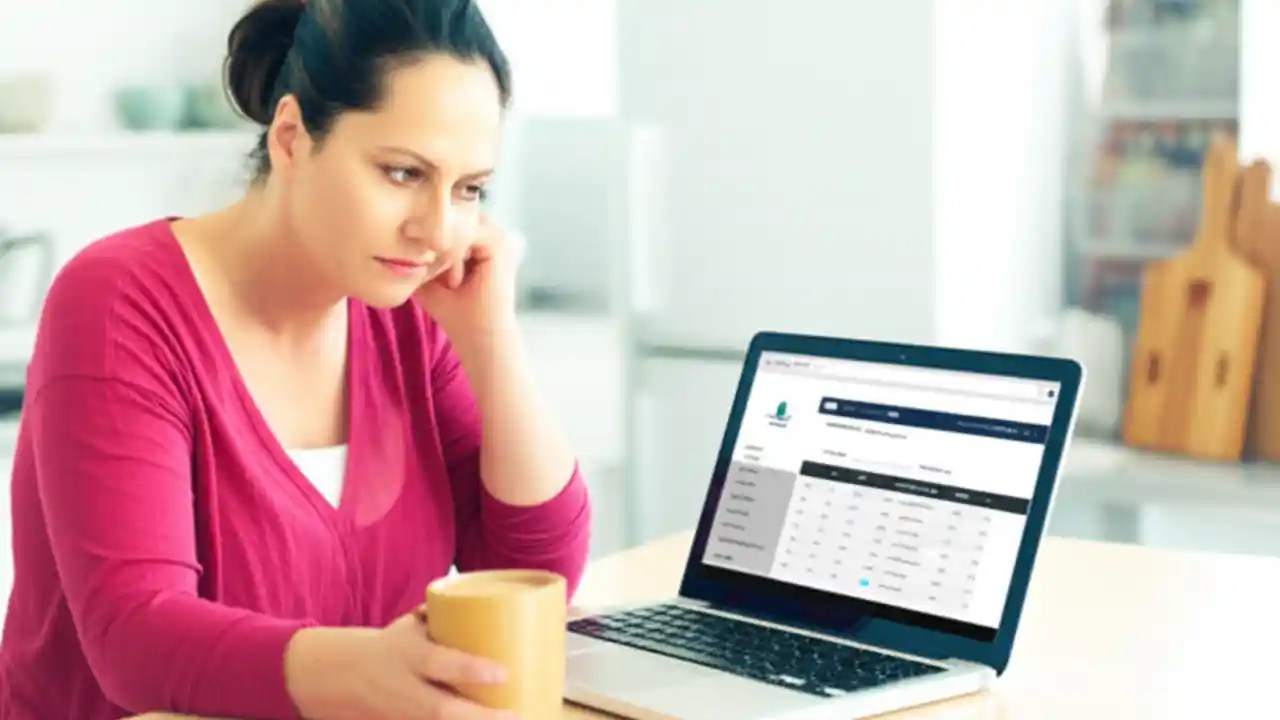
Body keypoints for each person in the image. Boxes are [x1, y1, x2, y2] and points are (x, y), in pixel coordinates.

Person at [0, 0, 591, 717]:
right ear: (289, 137)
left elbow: (531, 578)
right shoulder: (120, 301)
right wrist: (367, 669)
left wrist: (491, 339)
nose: (438, 230)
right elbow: (137, 638)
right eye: (403, 173)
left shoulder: (407, 311)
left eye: (470, 189)